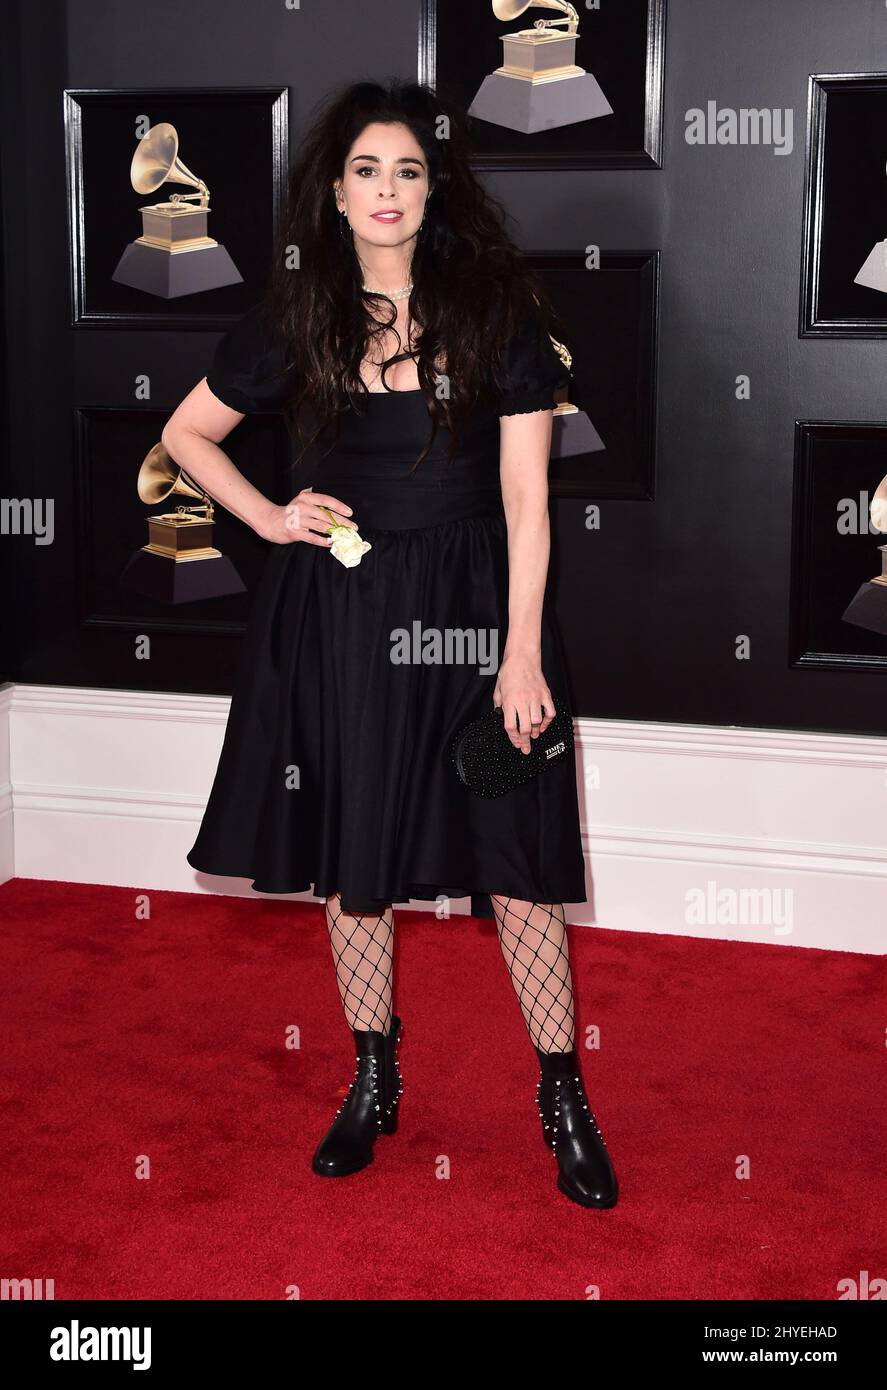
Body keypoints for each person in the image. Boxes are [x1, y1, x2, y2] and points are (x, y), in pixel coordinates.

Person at [162, 79, 617, 1210]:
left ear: (435, 187)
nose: (385, 191)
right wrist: (268, 516)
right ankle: (373, 1079)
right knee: (351, 859)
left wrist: (521, 656)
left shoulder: (494, 310)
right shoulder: (295, 314)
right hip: (344, 613)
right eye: (365, 170)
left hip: (473, 614)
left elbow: (524, 500)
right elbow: (184, 432)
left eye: (407, 170)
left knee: (517, 862)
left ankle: (562, 1097)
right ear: (333, 189)